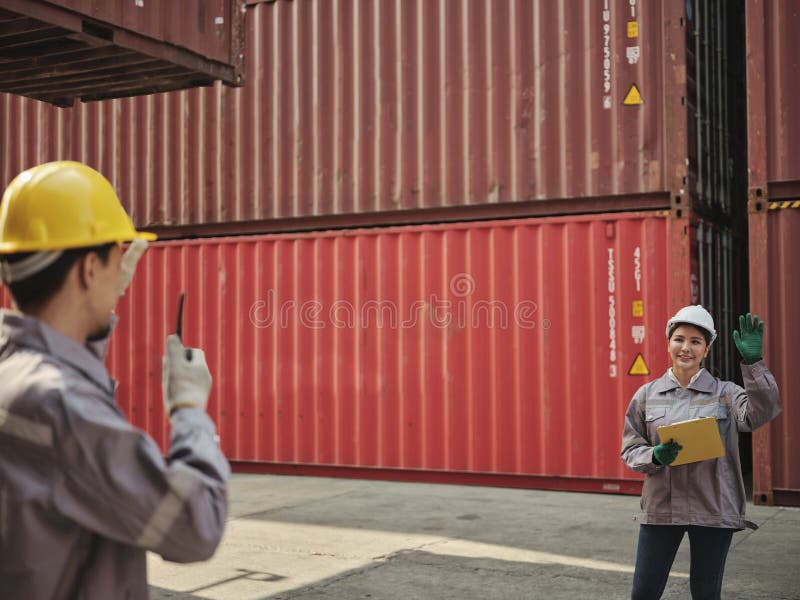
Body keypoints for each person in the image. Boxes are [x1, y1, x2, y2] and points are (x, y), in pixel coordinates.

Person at [0, 161, 230, 598]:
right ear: (89, 268)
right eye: (114, 256)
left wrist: (98, 310)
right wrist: (189, 412)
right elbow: (195, 526)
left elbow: (53, 365)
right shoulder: (63, 409)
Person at [621, 304, 781, 600]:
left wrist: (754, 363)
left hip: (712, 508)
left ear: (706, 350)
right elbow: (631, 448)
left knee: (706, 593)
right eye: (679, 339)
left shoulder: (726, 393)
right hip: (662, 509)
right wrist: (654, 456)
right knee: (643, 592)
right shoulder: (646, 395)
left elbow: (761, 413)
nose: (686, 348)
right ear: (668, 343)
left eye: (695, 342)